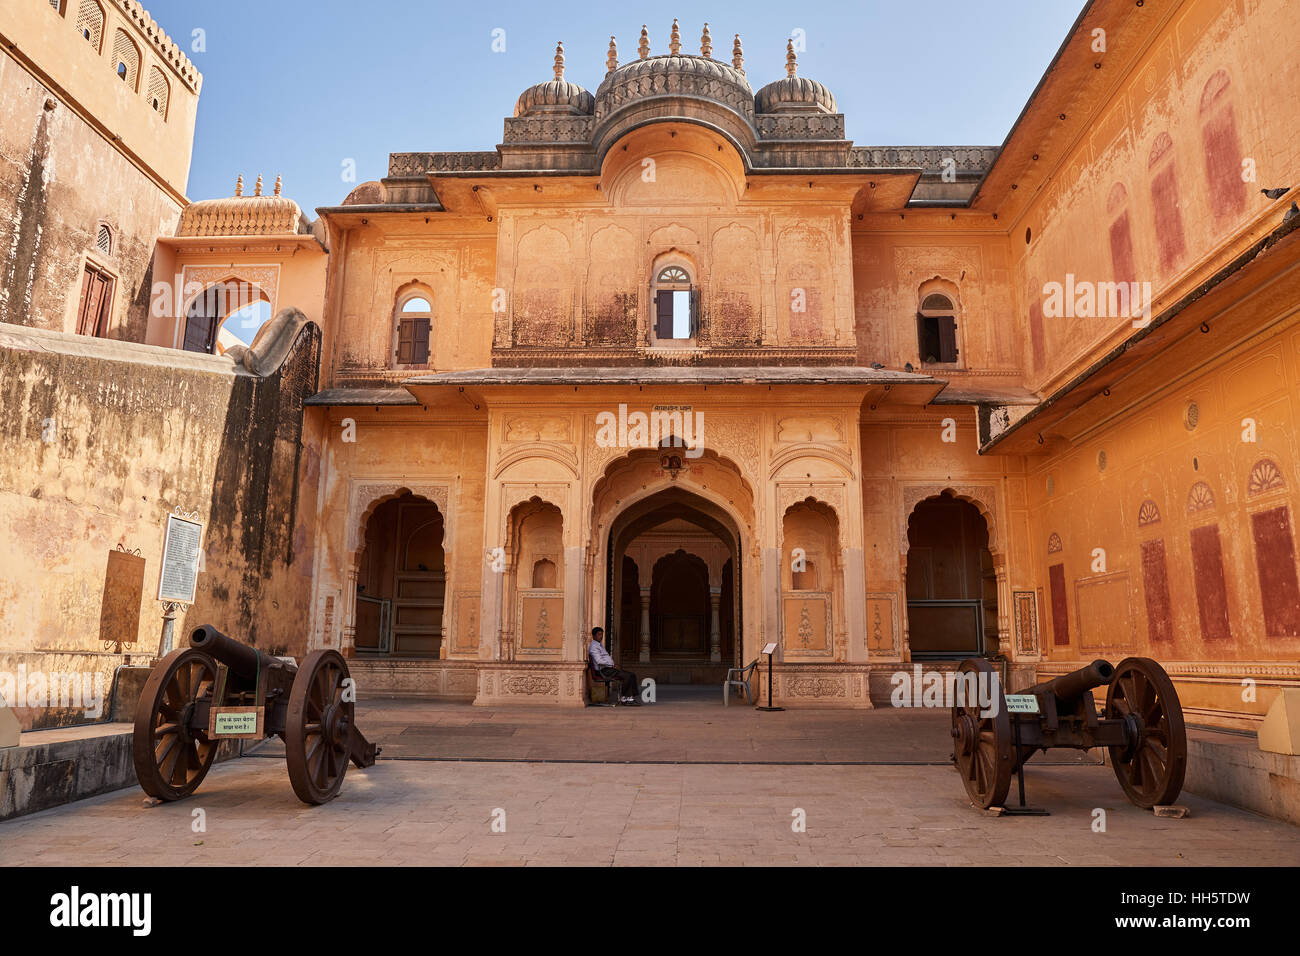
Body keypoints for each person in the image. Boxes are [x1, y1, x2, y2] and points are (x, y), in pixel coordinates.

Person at [587, 626, 641, 705]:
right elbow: (599, 661)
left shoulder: (599, 645)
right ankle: (624, 698)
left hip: (608, 669)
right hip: (603, 671)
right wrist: (611, 664)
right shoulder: (594, 647)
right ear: (594, 636)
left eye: (602, 634)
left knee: (631, 675)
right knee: (627, 676)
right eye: (599, 634)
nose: (601, 636)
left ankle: (630, 697)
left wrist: (612, 665)